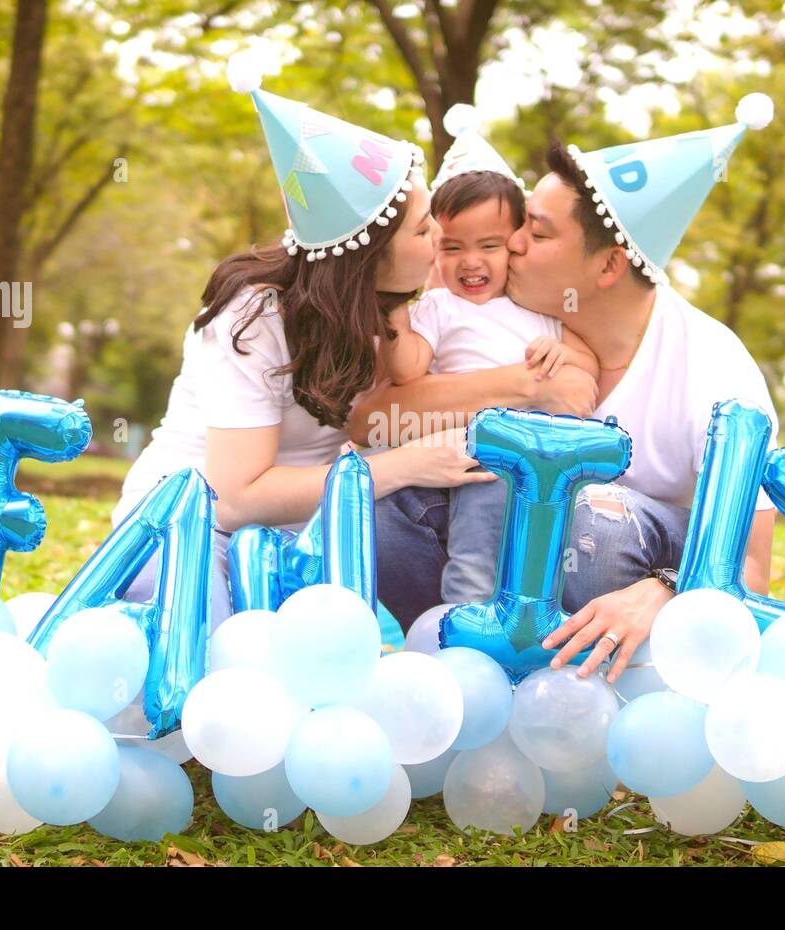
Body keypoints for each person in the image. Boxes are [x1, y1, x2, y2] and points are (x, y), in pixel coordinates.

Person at [354, 94, 781, 682]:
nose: (514, 245)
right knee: (389, 491)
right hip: (494, 552)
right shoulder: (503, 318)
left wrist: (658, 594)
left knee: (585, 514)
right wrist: (521, 388)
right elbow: (376, 416)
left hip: (628, 559)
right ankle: (462, 656)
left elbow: (752, 565)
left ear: (607, 267)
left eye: (538, 232)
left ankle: (569, 670)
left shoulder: (714, 371)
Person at [112, 58, 498, 626]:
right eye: (422, 229)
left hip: (302, 543)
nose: (441, 238)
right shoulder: (253, 313)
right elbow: (236, 495)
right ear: (368, 259)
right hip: (188, 528)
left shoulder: (393, 306)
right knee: (211, 676)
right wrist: (402, 464)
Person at [378, 106, 600, 605]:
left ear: (516, 243)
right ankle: (466, 609)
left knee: (523, 538)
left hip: (541, 450)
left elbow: (588, 368)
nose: (471, 262)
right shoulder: (438, 306)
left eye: (490, 245)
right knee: (478, 537)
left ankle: (523, 607)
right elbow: (407, 368)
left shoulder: (537, 307)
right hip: (472, 447)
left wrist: (560, 352)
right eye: (452, 248)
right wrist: (393, 308)